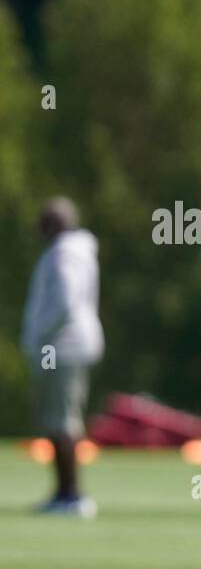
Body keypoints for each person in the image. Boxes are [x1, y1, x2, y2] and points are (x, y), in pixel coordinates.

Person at [20, 197, 104, 518]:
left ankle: (71, 495)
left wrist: (40, 334)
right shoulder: (71, 251)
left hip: (58, 347)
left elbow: (65, 302)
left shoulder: (64, 254)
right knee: (55, 417)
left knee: (60, 419)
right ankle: (63, 492)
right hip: (60, 346)